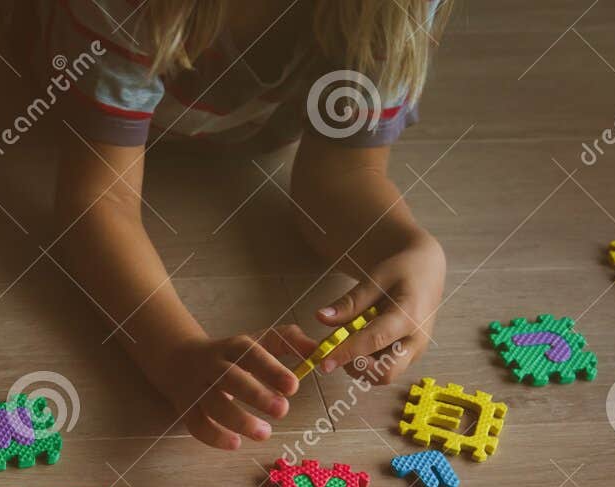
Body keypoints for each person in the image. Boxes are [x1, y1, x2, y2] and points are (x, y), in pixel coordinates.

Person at [38, 0, 450, 449]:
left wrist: (406, 245)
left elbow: (342, 175)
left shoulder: (391, 9)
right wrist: (173, 351)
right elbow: (98, 196)